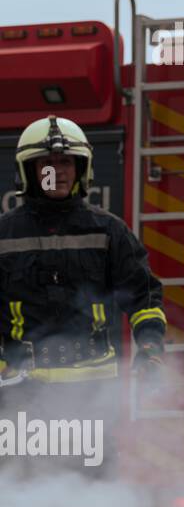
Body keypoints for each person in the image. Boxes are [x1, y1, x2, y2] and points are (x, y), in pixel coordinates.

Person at [0, 115, 166, 480]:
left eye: (65, 162)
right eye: (46, 163)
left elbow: (144, 297)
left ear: (81, 169)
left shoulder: (109, 231)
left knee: (86, 500)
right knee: (23, 498)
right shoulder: (4, 234)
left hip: (91, 395)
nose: (57, 172)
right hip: (21, 395)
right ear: (29, 170)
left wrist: (151, 349)